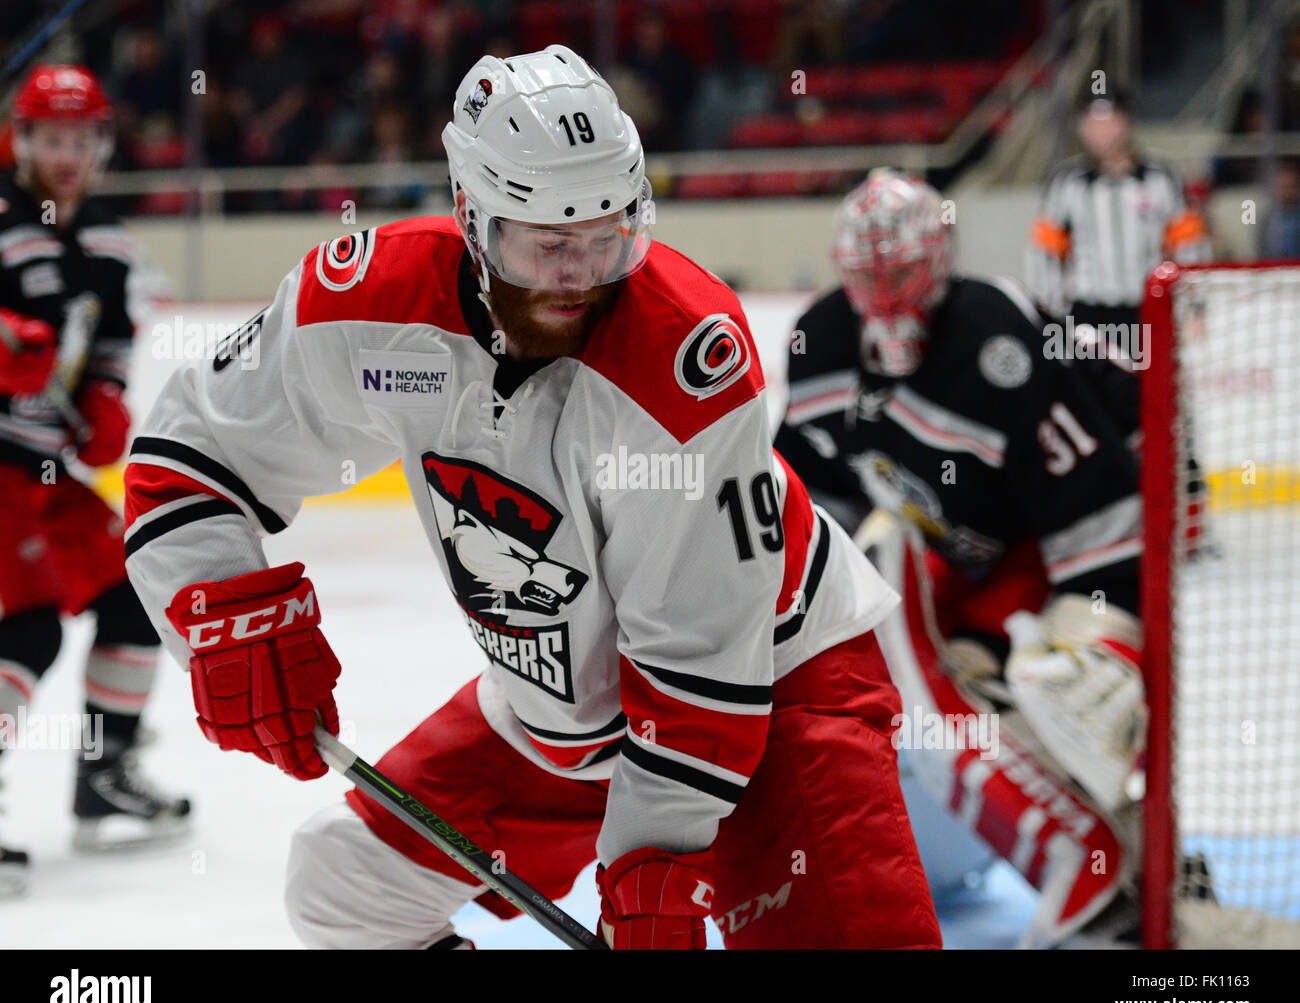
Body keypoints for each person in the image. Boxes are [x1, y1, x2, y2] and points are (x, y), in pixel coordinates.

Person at [122, 45, 940, 950]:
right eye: (546, 244)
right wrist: (220, 612)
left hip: (775, 688)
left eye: (604, 239)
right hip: (564, 716)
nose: (578, 276)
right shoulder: (371, 304)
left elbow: (704, 661)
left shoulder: (683, 364)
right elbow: (187, 452)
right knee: (343, 887)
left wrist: (651, 860)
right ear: (473, 215)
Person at [775, 168, 1152, 947]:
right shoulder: (821, 343)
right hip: (983, 548)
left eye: (903, 274)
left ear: (939, 258)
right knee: (928, 660)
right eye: (865, 277)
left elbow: (1103, 513)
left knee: (1071, 692)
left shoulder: (996, 342)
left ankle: (1135, 859)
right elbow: (813, 509)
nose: (884, 297)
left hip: (1115, 511)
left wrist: (1109, 633)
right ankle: (1102, 862)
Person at [0, 65, 190, 897]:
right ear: (20, 140)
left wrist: (106, 395)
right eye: (50, 137)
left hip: (47, 464)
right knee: (31, 626)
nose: (66, 155)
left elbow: (107, 344)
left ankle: (103, 775)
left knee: (133, 592)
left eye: (81, 140)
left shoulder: (112, 244)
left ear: (102, 146)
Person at [1025, 89, 1211, 445]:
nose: (1100, 132)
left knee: (1163, 397)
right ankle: (1109, 483)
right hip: (1088, 318)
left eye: (1107, 121)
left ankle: (1179, 474)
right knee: (1089, 405)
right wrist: (1049, 314)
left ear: (1126, 122)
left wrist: (1194, 305)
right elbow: (1044, 254)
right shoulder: (1067, 183)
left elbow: (1189, 246)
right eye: (1090, 123)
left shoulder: (1160, 178)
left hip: (1148, 312)